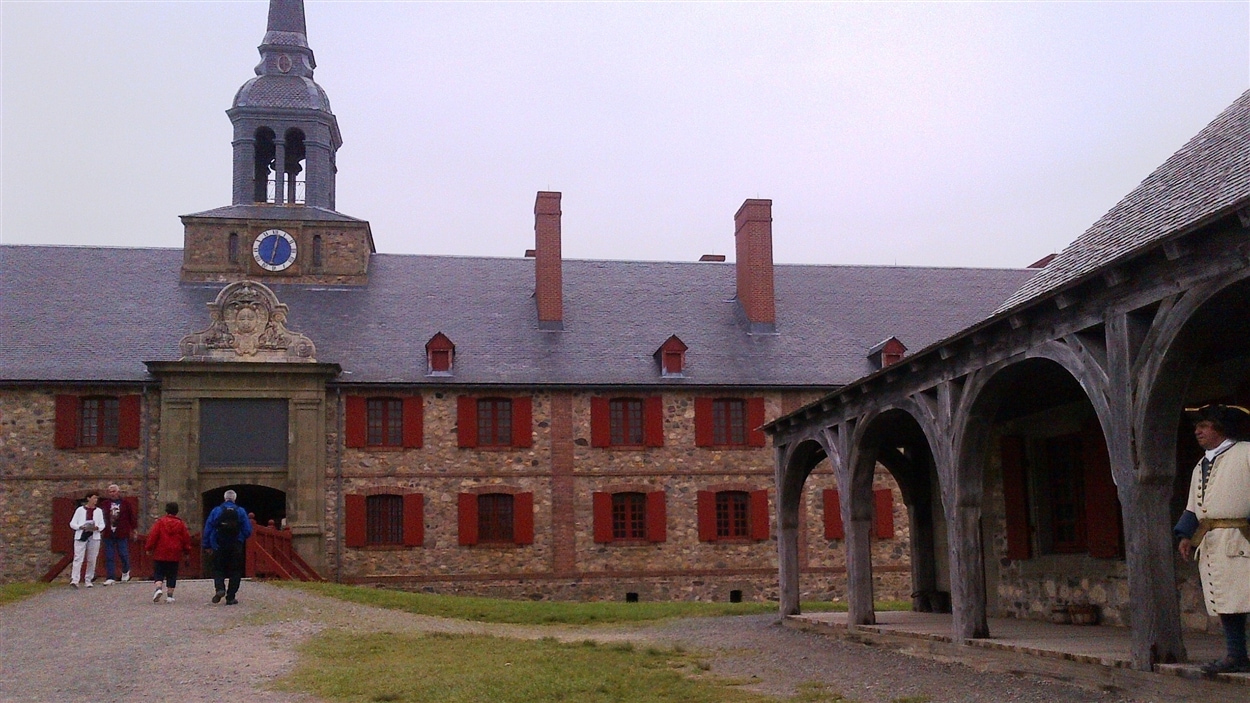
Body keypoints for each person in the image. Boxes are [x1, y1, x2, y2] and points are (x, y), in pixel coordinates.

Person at [1174, 403, 1250, 675]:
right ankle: (1237, 655)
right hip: (1214, 541)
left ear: (1220, 428)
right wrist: (1186, 536)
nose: (1198, 431)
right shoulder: (1201, 464)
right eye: (1197, 427)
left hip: (1243, 539)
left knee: (1245, 597)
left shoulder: (1246, 453)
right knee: (1228, 602)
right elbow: (1194, 506)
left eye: (1203, 426)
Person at [202, 490, 252, 605]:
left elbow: (208, 528)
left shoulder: (216, 511)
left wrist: (207, 545)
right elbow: (248, 531)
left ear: (225, 498)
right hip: (235, 545)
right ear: (234, 499)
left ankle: (220, 588)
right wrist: (240, 538)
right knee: (235, 571)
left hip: (218, 545)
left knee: (218, 568)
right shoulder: (240, 511)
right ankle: (230, 597)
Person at [145, 502, 192, 603]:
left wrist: (148, 548)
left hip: (160, 552)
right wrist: (187, 551)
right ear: (177, 511)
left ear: (166, 510)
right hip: (175, 553)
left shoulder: (160, 522)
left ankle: (158, 589)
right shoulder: (181, 524)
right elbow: (186, 539)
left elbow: (153, 536)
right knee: (172, 574)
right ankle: (170, 596)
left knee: (159, 572)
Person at [99, 484, 137, 585]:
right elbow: (101, 517)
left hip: (122, 533)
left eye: (114, 491)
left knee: (123, 554)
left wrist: (133, 529)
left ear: (118, 492)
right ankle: (110, 577)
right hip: (108, 533)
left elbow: (131, 517)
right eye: (110, 492)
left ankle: (125, 570)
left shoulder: (125, 504)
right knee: (109, 556)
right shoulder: (105, 504)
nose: (112, 493)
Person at [68, 492, 104, 589]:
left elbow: (102, 524)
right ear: (88, 499)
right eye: (94, 498)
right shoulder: (80, 510)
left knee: (92, 559)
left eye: (96, 498)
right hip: (82, 535)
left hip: (94, 536)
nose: (95, 500)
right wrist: (80, 527)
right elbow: (72, 523)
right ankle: (75, 580)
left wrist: (97, 528)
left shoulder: (99, 511)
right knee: (78, 557)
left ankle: (88, 579)